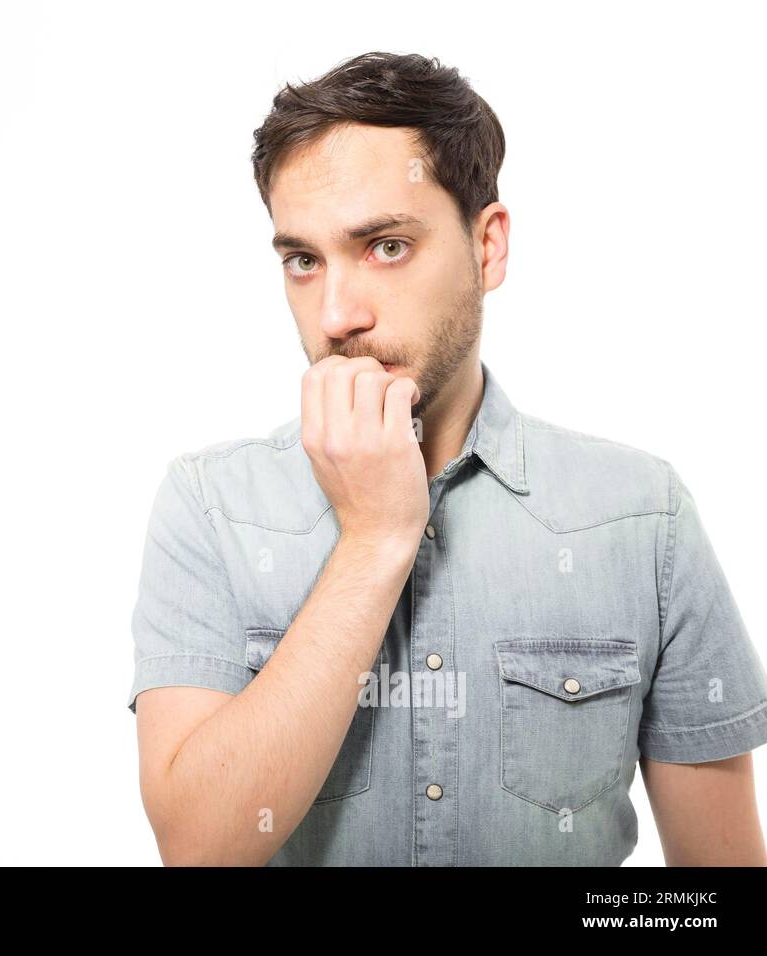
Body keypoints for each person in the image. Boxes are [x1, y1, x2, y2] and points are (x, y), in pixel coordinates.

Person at [126, 51, 767, 866]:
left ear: (487, 246)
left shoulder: (645, 517)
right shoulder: (211, 508)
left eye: (386, 246)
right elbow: (201, 848)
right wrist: (373, 539)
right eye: (303, 260)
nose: (336, 314)